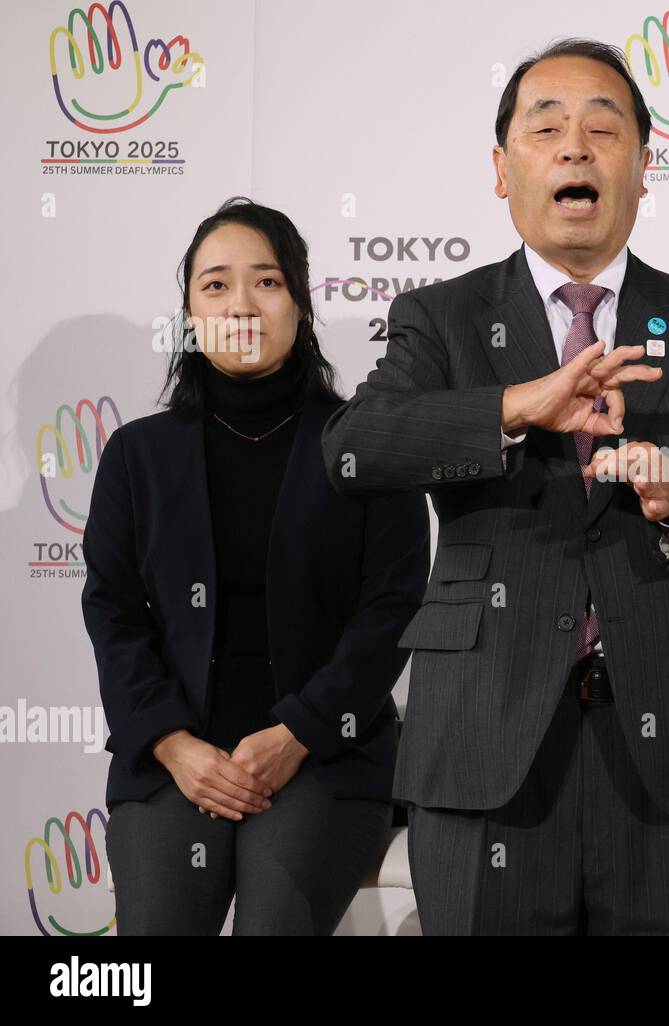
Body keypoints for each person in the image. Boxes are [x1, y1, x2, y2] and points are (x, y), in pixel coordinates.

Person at [321, 38, 669, 935]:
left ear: (644, 169)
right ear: (503, 170)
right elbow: (357, 448)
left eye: (602, 128)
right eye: (546, 128)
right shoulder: (440, 317)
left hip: (662, 741)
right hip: (484, 737)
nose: (575, 147)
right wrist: (515, 405)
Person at [82, 197, 430, 935]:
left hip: (326, 754)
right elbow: (113, 611)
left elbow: (392, 607)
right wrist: (174, 745)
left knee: (276, 922)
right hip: (175, 755)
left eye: (266, 282)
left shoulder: (366, 445)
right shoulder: (137, 456)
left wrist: (297, 733)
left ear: (300, 303)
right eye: (214, 285)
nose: (241, 303)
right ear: (187, 312)